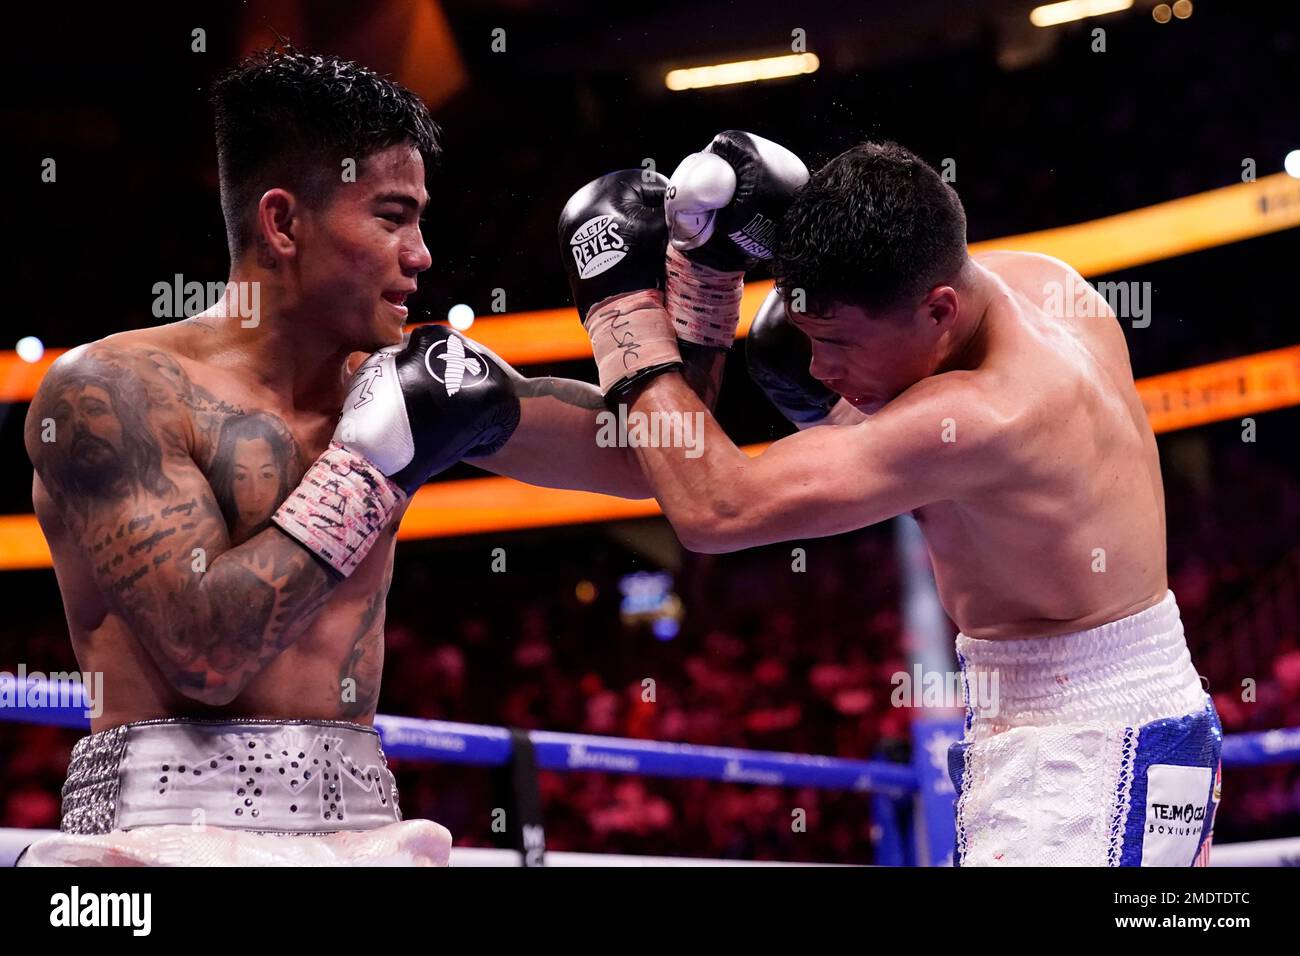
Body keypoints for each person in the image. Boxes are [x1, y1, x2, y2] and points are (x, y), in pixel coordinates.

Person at [17, 47, 717, 867]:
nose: (420, 253)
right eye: (391, 217)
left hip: (365, 823)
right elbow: (206, 656)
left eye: (419, 218)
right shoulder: (113, 391)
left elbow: (659, 461)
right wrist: (373, 465)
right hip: (158, 834)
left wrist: (696, 276)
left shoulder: (405, 380)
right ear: (283, 222)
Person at [580, 139, 1221, 866]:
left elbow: (714, 511)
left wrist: (623, 313)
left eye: (840, 342)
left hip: (1084, 745)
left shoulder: (987, 415)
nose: (819, 368)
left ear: (939, 309)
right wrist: (713, 264)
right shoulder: (1043, 283)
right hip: (1112, 716)